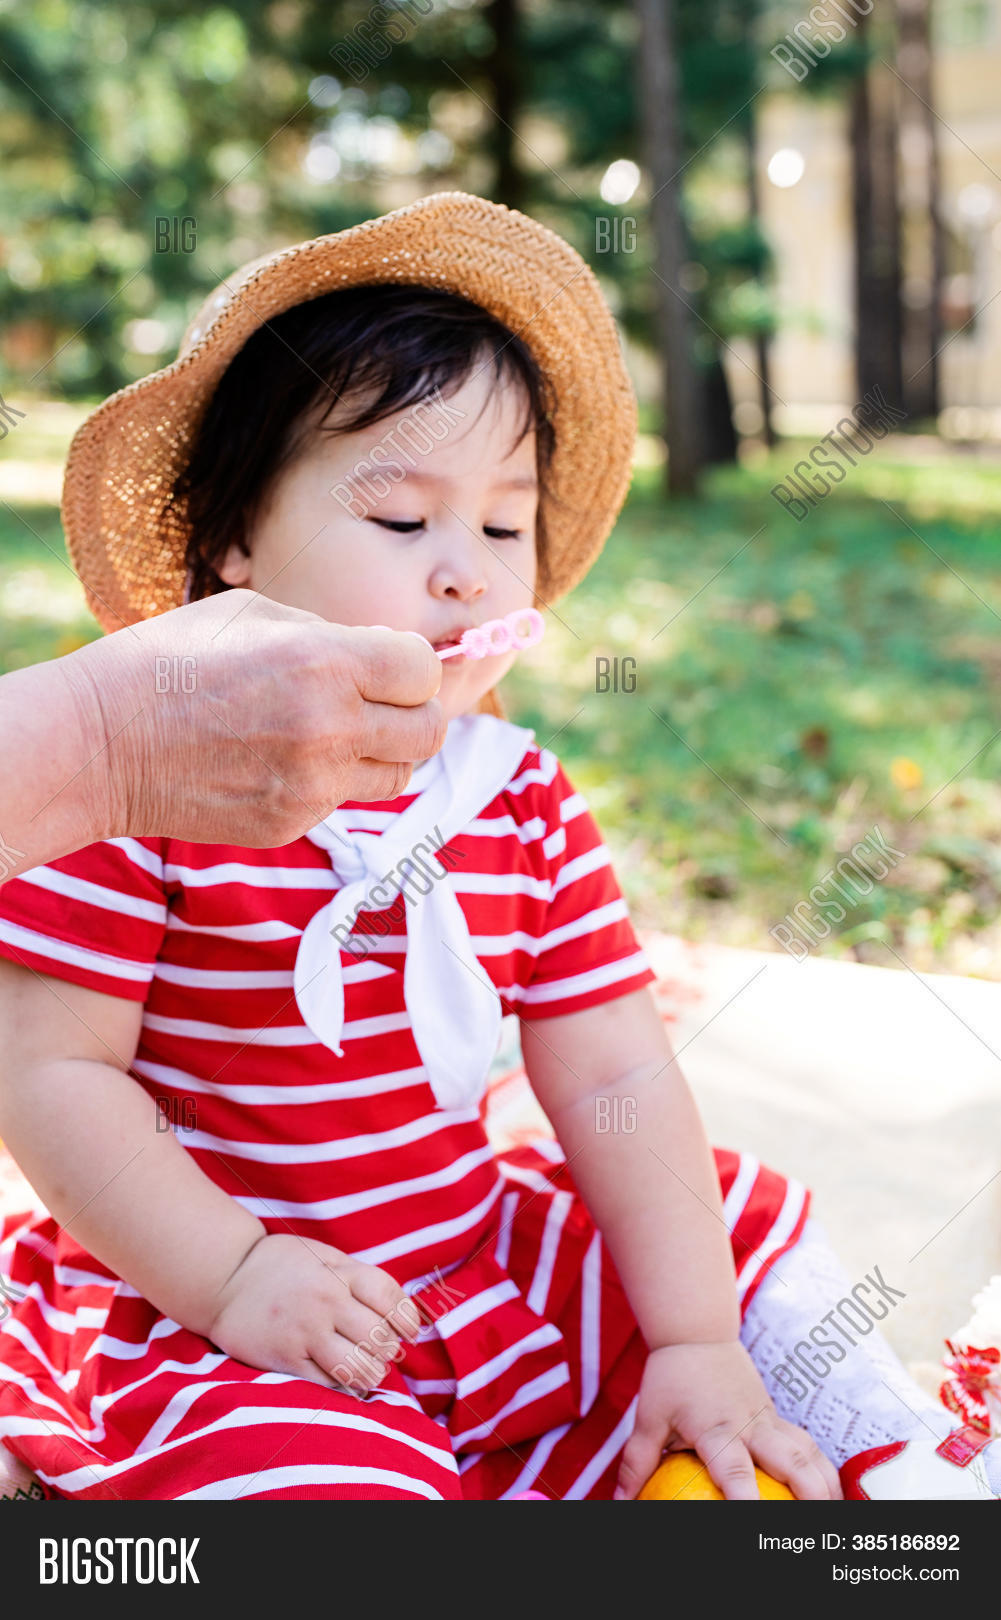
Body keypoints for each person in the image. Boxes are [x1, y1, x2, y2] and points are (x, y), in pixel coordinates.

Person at [0, 193, 993, 1502]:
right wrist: (234, 1275)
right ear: (235, 541)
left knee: (731, 1245)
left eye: (503, 526)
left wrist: (691, 1337)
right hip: (223, 1303)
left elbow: (613, 1074)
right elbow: (50, 1074)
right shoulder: (146, 771)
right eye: (402, 523)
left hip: (470, 1260)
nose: (465, 571)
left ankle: (896, 1473)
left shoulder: (514, 794)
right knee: (300, 1477)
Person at [0, 593, 445, 877]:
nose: (469, 581)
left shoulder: (496, 780)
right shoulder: (112, 845)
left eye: (486, 531)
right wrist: (118, 746)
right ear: (234, 543)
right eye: (403, 522)